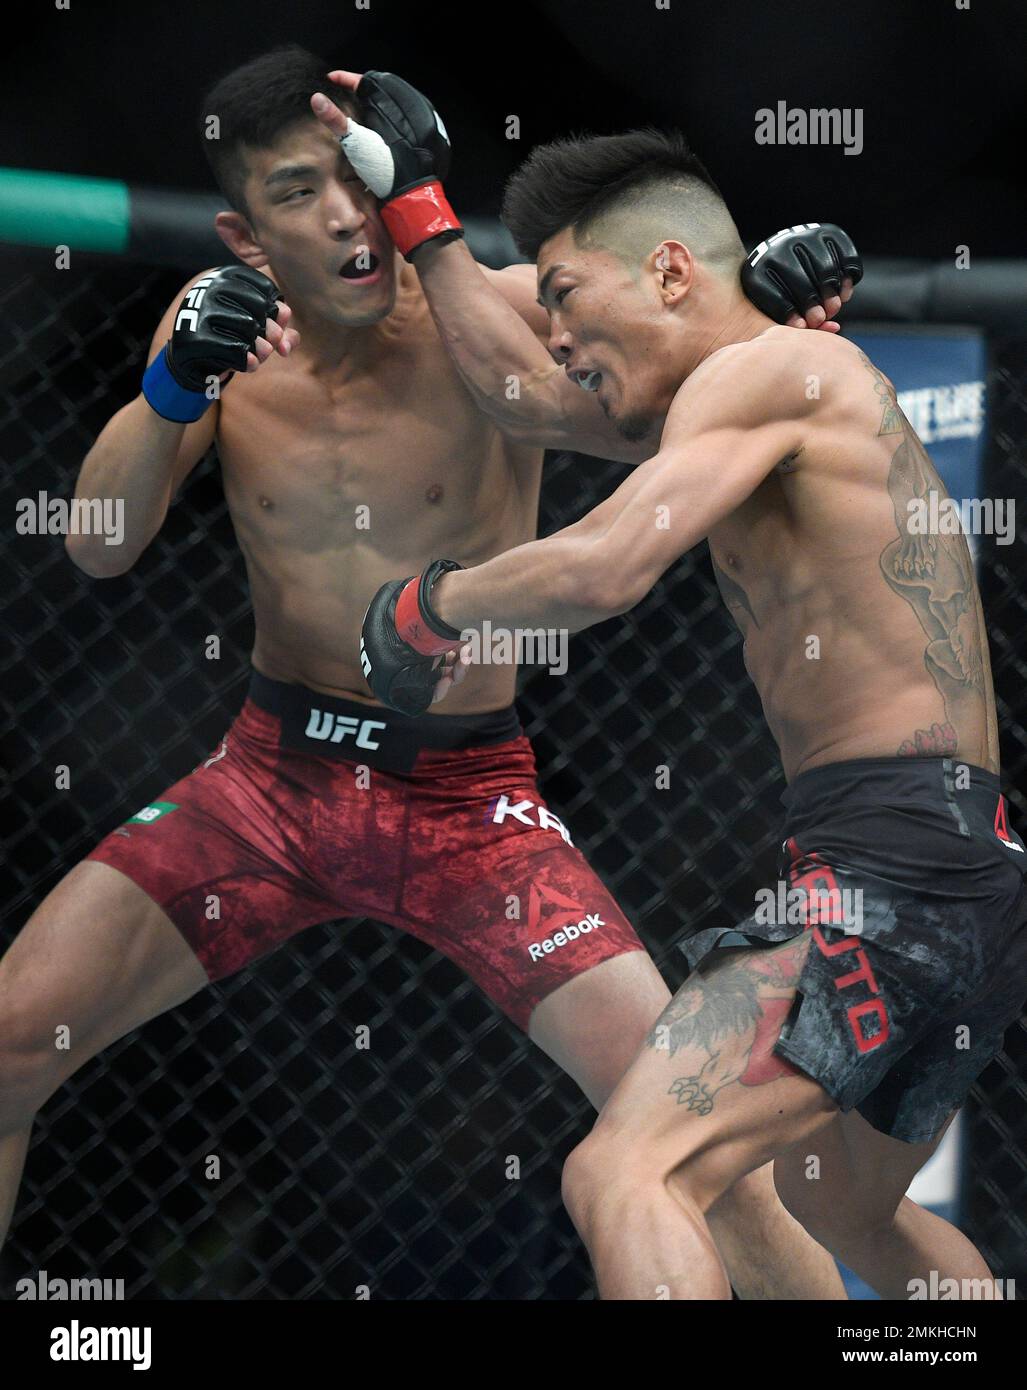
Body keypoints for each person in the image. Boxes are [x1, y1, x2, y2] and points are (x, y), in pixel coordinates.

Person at [2, 46, 855, 1299]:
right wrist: (174, 384)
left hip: (466, 804)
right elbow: (97, 542)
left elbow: (669, 393)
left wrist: (778, 304)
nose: (346, 215)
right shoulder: (220, 324)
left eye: (355, 176)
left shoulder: (490, 306)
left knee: (692, 1140)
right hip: (266, 780)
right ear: (247, 231)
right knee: (11, 1042)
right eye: (299, 193)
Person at [342, 80, 1027, 1299]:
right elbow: (530, 395)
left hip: (889, 863)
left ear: (667, 272)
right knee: (839, 1205)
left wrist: (430, 603)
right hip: (965, 862)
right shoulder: (772, 384)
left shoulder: (761, 375)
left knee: (626, 1176)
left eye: (562, 295)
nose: (553, 336)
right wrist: (419, 213)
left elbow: (605, 567)